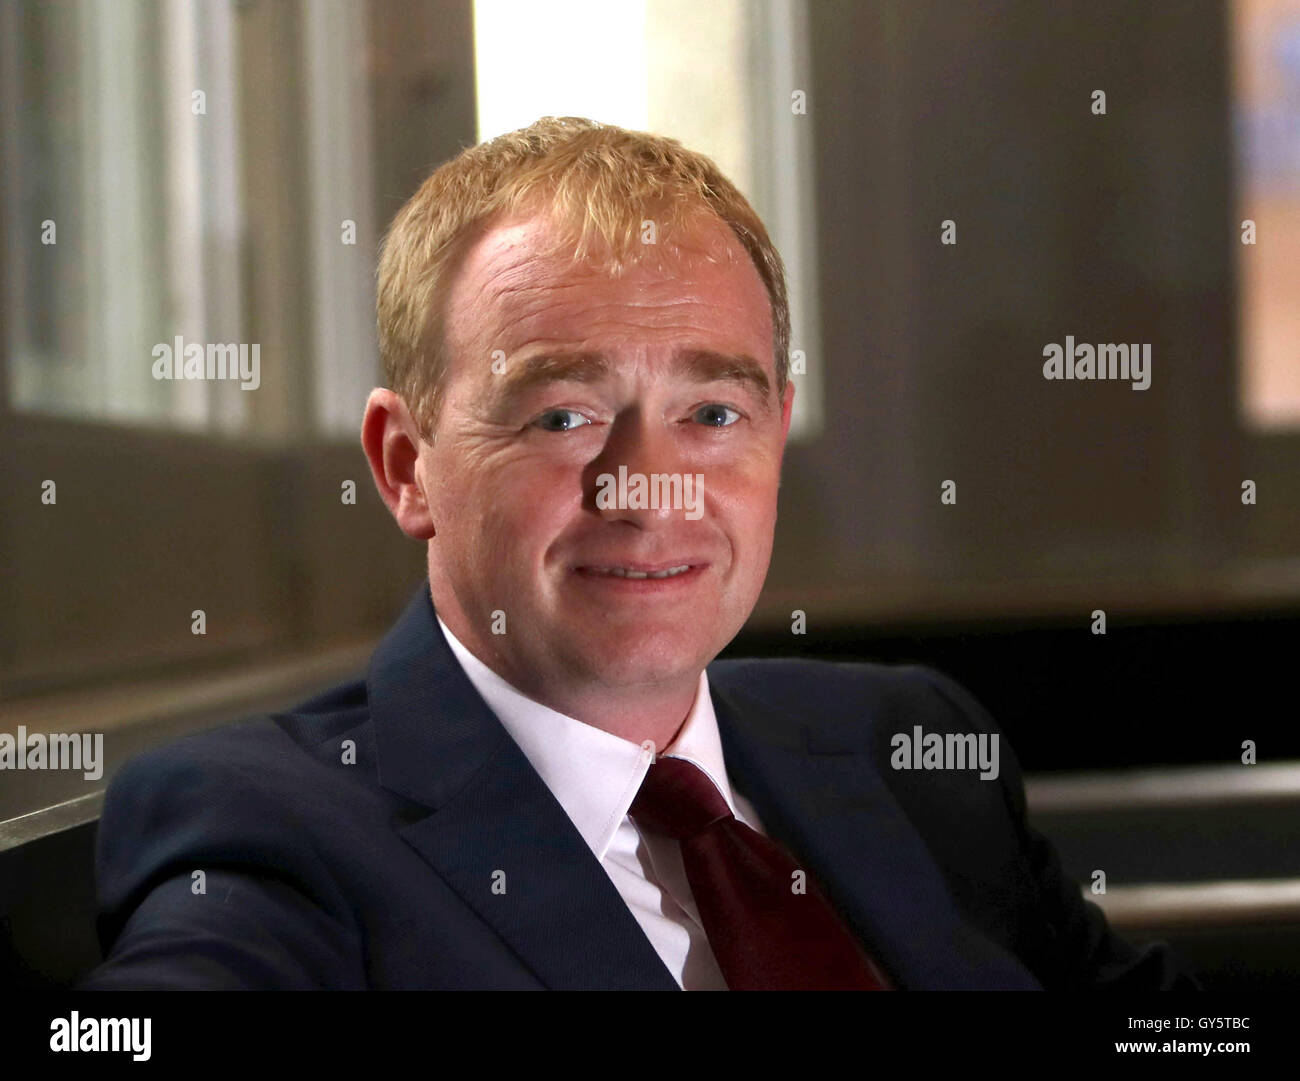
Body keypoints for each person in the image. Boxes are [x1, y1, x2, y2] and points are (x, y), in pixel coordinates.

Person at [79, 117, 1196, 990]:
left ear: (776, 431)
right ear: (407, 465)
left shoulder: (908, 744)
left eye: (712, 413)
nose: (649, 486)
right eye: (563, 415)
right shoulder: (268, 827)